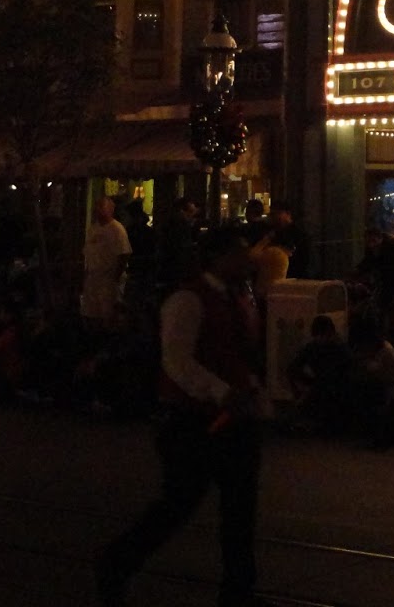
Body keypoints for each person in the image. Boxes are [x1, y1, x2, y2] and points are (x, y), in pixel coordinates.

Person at [97, 225, 266, 607]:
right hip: (194, 421)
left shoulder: (241, 297)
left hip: (237, 419)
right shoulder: (188, 300)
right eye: (239, 252)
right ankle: (116, 562)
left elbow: (241, 354)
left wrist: (252, 392)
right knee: (178, 504)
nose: (247, 259)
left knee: (240, 510)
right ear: (217, 258)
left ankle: (239, 591)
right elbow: (176, 361)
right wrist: (222, 392)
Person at [80, 197, 131, 329]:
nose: (98, 211)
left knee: (107, 314)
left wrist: (115, 277)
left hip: (108, 279)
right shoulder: (93, 228)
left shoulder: (117, 229)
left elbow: (124, 254)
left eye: (101, 207)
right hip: (93, 278)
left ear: (110, 210)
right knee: (91, 313)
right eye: (96, 207)